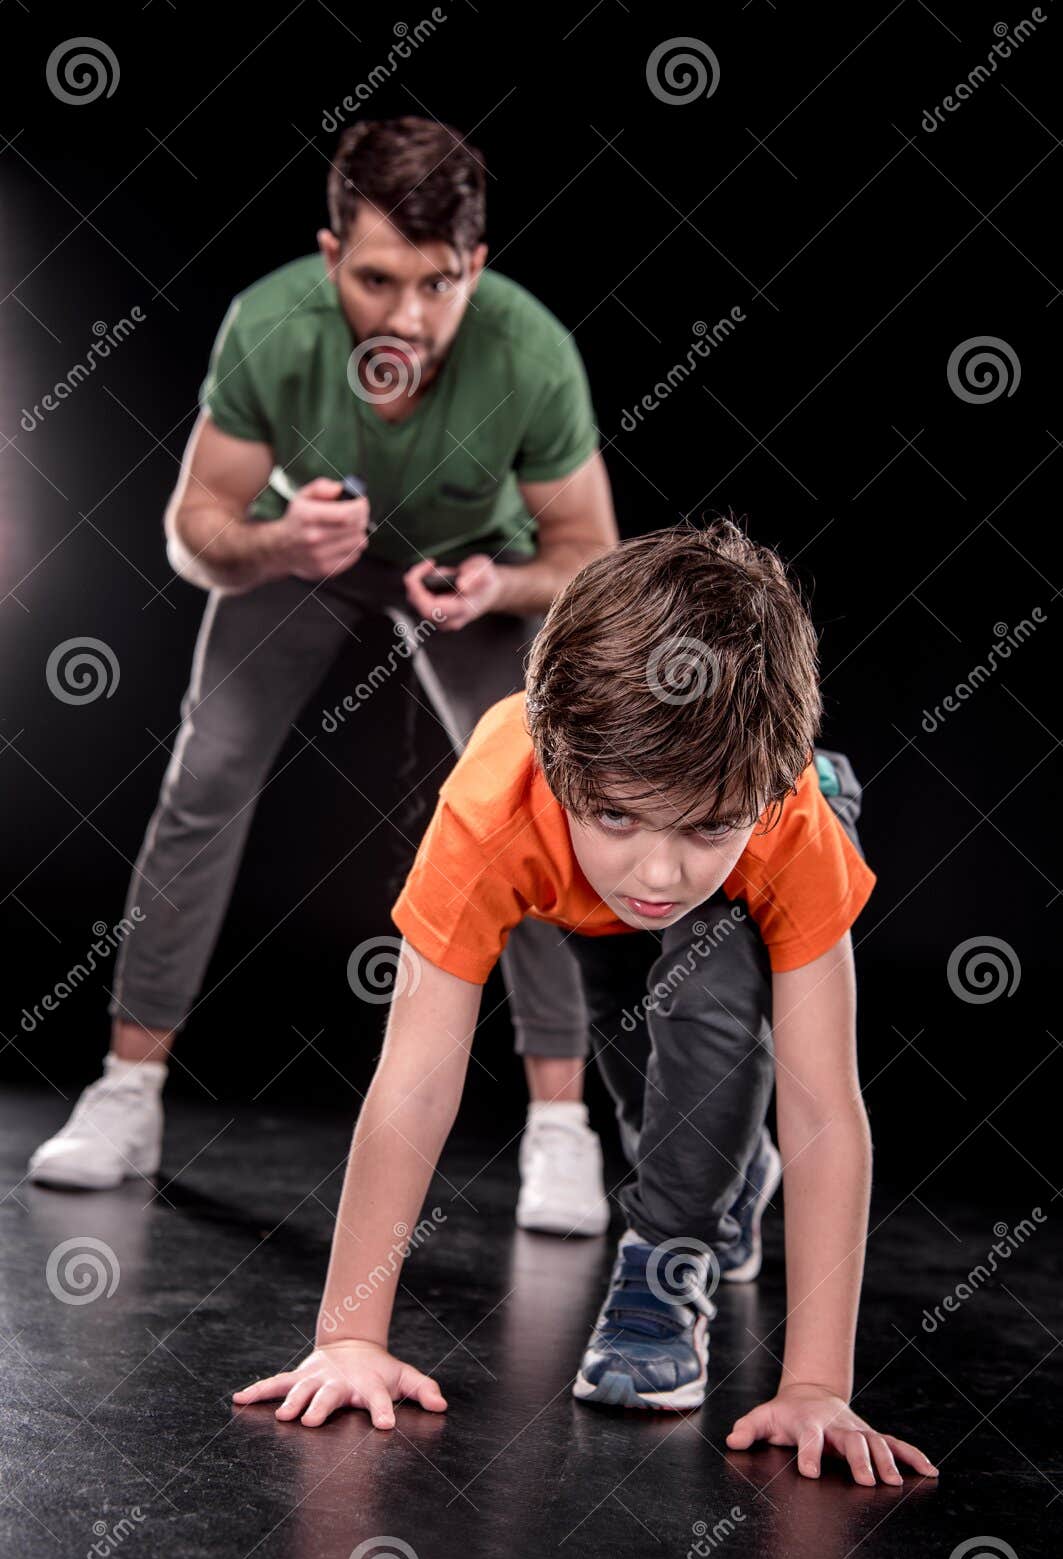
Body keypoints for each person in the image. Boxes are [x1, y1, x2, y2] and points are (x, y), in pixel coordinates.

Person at [232, 521, 940, 1486]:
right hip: (580, 903)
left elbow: (824, 1107)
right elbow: (414, 1078)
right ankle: (722, 1181)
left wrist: (817, 1385)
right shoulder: (493, 803)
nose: (656, 869)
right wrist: (348, 1334)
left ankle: (666, 1266)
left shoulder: (784, 824)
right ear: (561, 769)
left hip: (758, 869)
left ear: (761, 797)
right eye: (616, 814)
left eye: (702, 827)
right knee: (632, 1030)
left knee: (711, 1003)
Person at [28, 116, 619, 1231]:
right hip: (305, 553)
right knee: (206, 779)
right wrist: (277, 544)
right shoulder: (272, 323)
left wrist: (499, 588)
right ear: (331, 250)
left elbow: (589, 547)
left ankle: (559, 1126)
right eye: (378, 278)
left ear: (476, 268)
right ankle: (129, 1089)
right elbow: (193, 529)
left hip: (467, 571)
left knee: (529, 802)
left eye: (438, 284)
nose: (407, 316)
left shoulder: (530, 351)